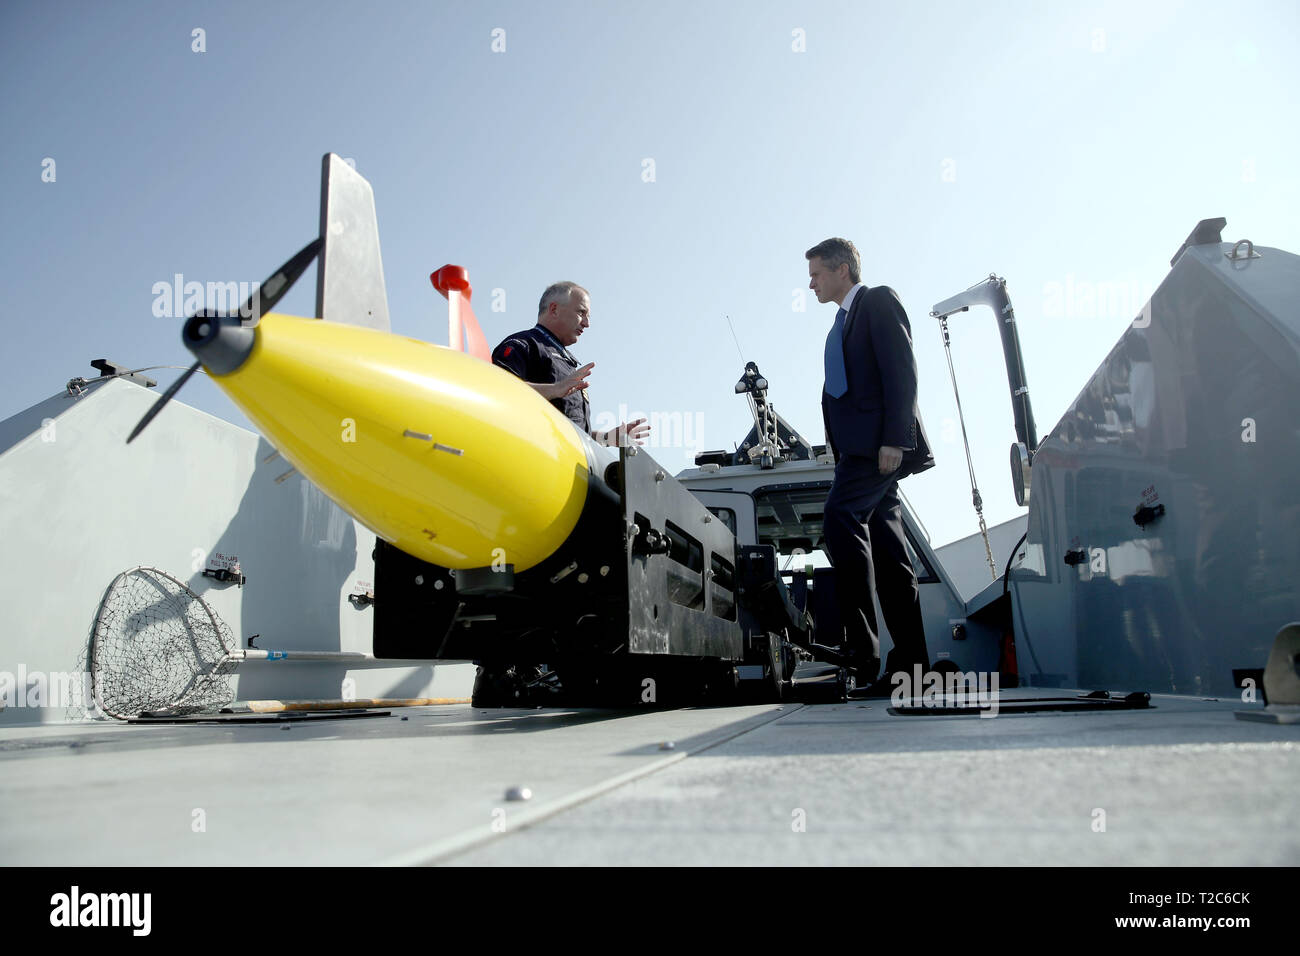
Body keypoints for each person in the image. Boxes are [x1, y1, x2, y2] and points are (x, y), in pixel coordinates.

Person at [806, 237, 934, 697]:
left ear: (843, 269)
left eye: (817, 273)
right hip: (857, 454)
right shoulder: (838, 326)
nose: (811, 283)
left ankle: (862, 656)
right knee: (892, 558)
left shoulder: (877, 301)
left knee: (840, 520)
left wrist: (895, 440)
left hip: (877, 450)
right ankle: (912, 672)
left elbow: (903, 370)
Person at [491, 281, 649, 447]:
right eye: (581, 312)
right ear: (554, 309)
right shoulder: (522, 345)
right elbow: (500, 391)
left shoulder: (567, 362)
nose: (587, 323)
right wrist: (555, 389)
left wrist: (607, 438)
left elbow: (571, 431)